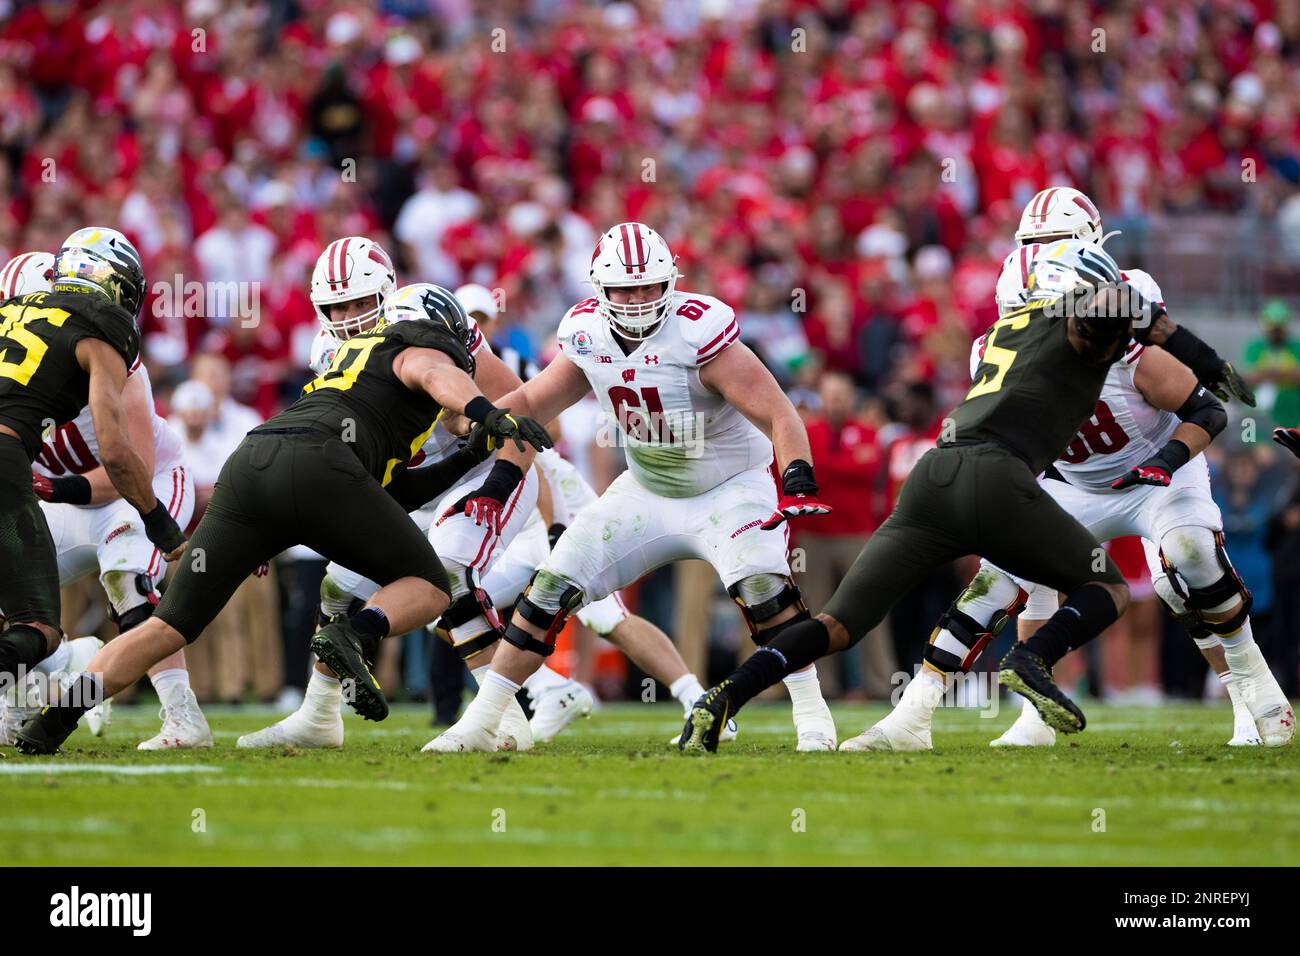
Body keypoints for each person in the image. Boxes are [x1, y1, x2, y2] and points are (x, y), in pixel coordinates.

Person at [14, 281, 553, 754]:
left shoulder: (349, 363)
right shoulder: (419, 350)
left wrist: (465, 452)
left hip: (252, 467)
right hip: (321, 469)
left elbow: (398, 489)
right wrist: (491, 412)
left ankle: (55, 717)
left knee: (164, 627)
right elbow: (436, 374)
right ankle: (356, 635)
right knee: (432, 585)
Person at [845, 188, 1293, 751]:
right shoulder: (996, 348)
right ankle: (917, 717)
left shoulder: (1121, 330)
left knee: (1189, 562)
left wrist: (1166, 459)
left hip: (1155, 472)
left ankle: (1250, 680)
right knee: (997, 580)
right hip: (1071, 480)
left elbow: (1204, 405)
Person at [679, 240, 1144, 753]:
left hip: (934, 478)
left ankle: (724, 697)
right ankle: (1030, 659)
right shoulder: (1073, 334)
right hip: (996, 481)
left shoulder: (996, 335)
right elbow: (1125, 330)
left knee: (836, 624)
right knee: (1108, 588)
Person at [425, 221, 838, 754]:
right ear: (600, 290)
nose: (640, 299)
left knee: (764, 588)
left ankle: (813, 718)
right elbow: (534, 404)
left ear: (670, 283)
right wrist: (474, 417)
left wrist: (798, 475)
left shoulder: (698, 329)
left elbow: (779, 411)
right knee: (548, 590)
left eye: (650, 286)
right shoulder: (586, 332)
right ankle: (481, 723)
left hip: (731, 487)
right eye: (627, 288)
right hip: (647, 489)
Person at [236, 241, 549, 751]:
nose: (350, 317)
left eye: (361, 303)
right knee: (336, 585)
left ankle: (500, 717)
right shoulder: (325, 352)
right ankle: (318, 717)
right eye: (337, 307)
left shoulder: (428, 314)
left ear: (386, 294)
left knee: (447, 572)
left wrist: (499, 482)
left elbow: (520, 404)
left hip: (477, 471)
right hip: (407, 487)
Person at [454, 281, 732, 744]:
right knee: (449, 602)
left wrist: (554, 524)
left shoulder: (504, 369)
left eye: (480, 321)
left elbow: (541, 441)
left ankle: (693, 698)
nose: (476, 329)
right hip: (504, 508)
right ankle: (547, 690)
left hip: (543, 497)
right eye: (470, 321)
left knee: (605, 618)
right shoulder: (427, 374)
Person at [0, 250, 208, 749]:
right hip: (64, 498)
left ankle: (183, 716)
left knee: (126, 578)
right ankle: (40, 684)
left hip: (142, 487)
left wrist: (162, 526)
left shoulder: (111, 358)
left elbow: (126, 463)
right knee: (15, 596)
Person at [1244, 300, 1300, 431]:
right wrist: (1286, 374)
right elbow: (1250, 377)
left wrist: (1268, 373)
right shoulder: (1255, 347)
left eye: (1279, 327)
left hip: (1291, 411)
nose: (1276, 332)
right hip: (1259, 415)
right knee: (1252, 446)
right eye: (1273, 327)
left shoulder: (1296, 348)